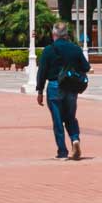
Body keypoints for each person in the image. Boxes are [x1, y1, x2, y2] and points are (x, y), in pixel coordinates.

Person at [35, 22, 90, 160]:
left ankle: (62, 152)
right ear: (66, 35)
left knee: (58, 120)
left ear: (54, 35)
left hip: (54, 86)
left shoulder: (48, 50)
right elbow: (86, 67)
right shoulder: (75, 49)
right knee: (70, 117)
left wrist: (40, 91)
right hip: (71, 87)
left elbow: (42, 72)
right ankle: (75, 139)